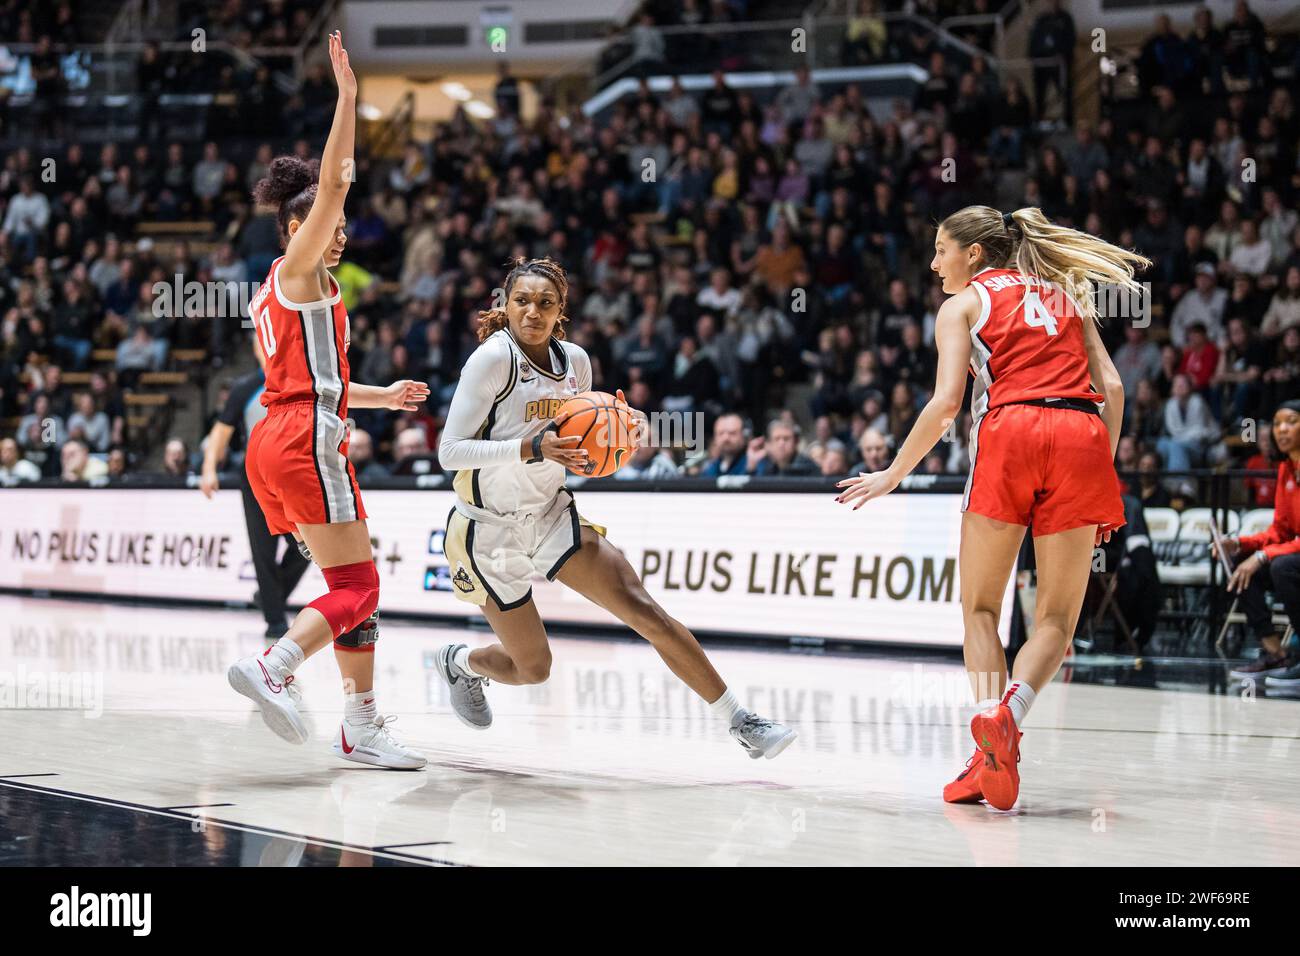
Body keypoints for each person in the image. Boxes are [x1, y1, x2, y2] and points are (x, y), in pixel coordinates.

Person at [837, 205, 1148, 810]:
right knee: (1056, 623)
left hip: (1013, 431)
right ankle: (1010, 718)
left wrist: (895, 473)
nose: (933, 264)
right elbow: (1112, 388)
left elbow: (947, 402)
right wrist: (1098, 473)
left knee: (981, 608)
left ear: (974, 254)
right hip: (1082, 432)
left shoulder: (962, 306)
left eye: (940, 250)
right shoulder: (1066, 295)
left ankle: (987, 733)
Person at [432, 256, 796, 760]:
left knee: (644, 611)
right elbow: (449, 452)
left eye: (545, 303)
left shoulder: (576, 362)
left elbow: (584, 435)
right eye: (521, 301)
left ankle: (740, 720)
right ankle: (461, 663)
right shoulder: (493, 361)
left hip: (550, 514)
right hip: (486, 530)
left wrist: (619, 427)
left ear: (561, 309)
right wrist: (530, 448)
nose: (532, 313)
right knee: (533, 668)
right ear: (506, 304)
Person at [225, 34, 431, 771]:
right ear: (295, 229)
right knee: (361, 584)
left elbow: (306, 382)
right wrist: (347, 100)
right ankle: (276, 666)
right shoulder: (300, 269)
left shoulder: (270, 296)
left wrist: (383, 397)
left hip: (277, 439)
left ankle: (362, 722)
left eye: (341, 231)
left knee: (347, 589)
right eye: (329, 227)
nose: (340, 236)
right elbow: (336, 183)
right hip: (304, 441)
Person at [200, 338, 311, 639]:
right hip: (255, 478)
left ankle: (269, 597)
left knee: (308, 547)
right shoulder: (245, 387)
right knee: (262, 549)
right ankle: (275, 622)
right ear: (255, 350)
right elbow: (220, 432)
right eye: (261, 344)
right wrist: (209, 469)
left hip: (296, 476)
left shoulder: (300, 380)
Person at [1216, 400, 1300, 684]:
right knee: (1240, 565)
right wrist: (1240, 544)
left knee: (1281, 566)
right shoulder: (1287, 469)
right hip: (1293, 553)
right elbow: (1280, 531)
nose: (1282, 430)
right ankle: (1275, 653)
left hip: (1293, 559)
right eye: (1277, 424)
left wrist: (1263, 556)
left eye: (1290, 422)